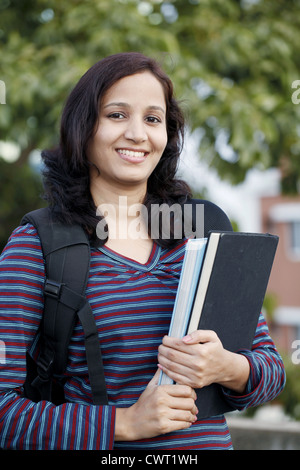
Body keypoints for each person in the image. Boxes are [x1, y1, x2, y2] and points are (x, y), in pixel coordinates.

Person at [0, 52, 285, 450]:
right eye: (117, 115)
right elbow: (4, 413)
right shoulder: (39, 245)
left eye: (153, 119)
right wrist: (126, 423)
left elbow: (270, 369)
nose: (138, 134)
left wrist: (228, 367)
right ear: (84, 127)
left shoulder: (201, 230)